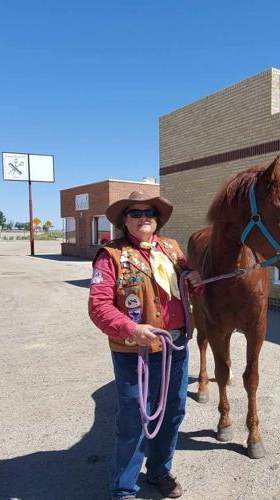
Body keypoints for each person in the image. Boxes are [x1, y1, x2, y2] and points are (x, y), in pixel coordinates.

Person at [88, 191, 203, 500]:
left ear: (157, 218)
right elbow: (99, 307)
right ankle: (123, 488)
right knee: (135, 420)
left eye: (149, 212)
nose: (143, 218)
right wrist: (131, 328)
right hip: (133, 354)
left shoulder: (171, 249)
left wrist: (194, 279)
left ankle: (159, 472)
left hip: (175, 349)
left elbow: (189, 286)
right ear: (125, 220)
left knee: (173, 413)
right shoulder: (110, 255)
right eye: (135, 213)